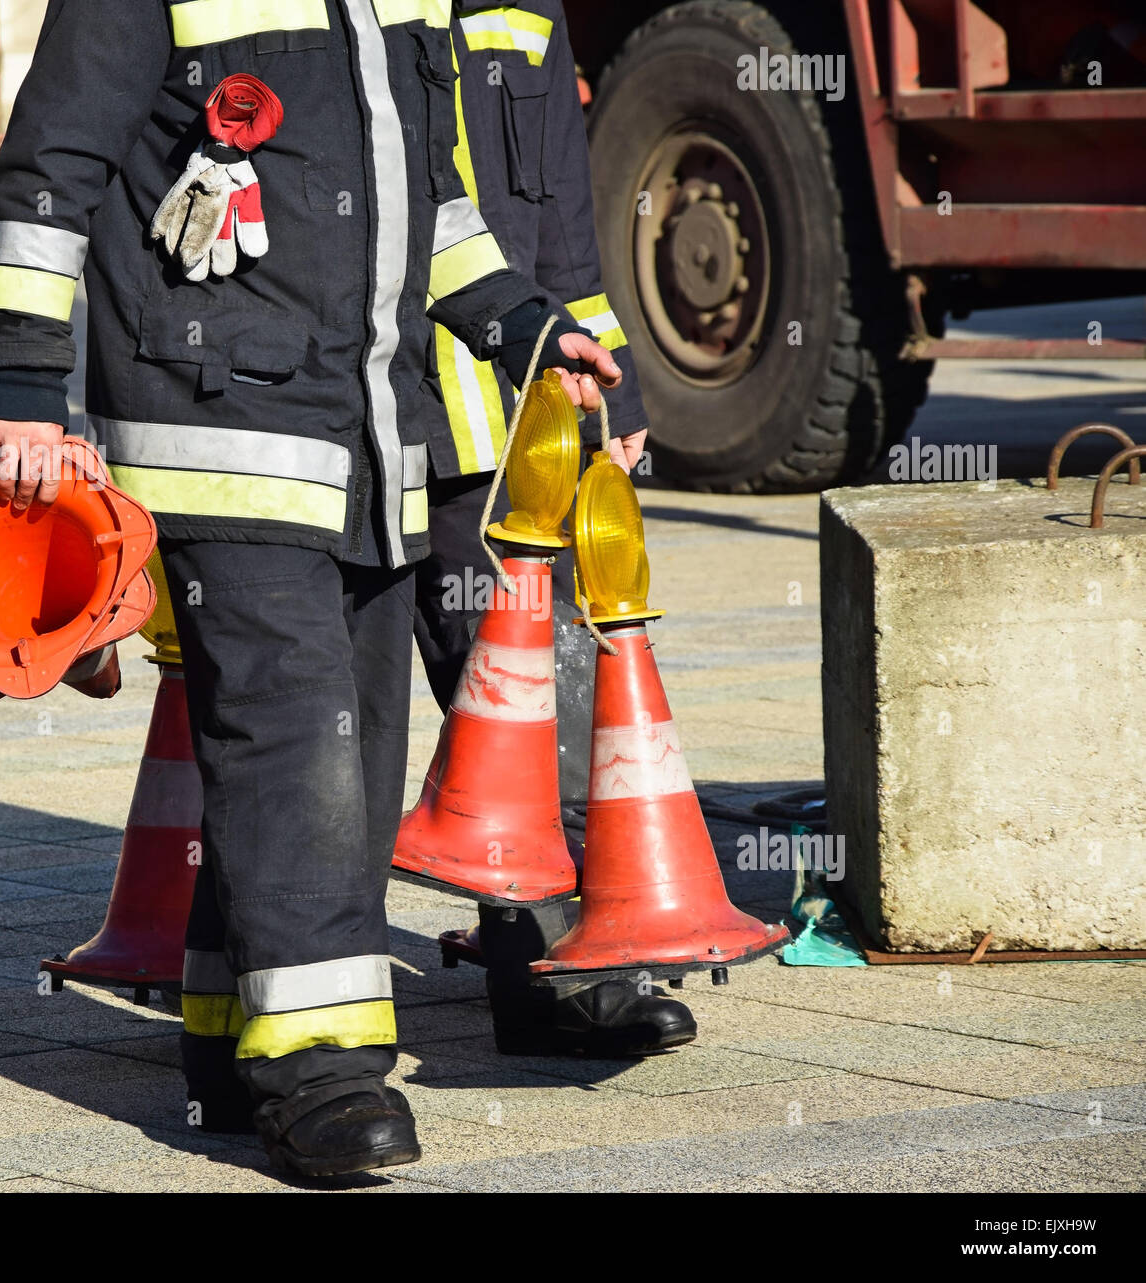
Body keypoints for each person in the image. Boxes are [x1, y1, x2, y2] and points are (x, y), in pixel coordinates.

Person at [0, 0, 621, 1181]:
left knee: (351, 754)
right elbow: (46, 179)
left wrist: (525, 327)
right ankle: (319, 1070)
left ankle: (227, 1038)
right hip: (215, 433)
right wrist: (21, 389)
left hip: (371, 446)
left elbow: (440, 205)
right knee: (293, 741)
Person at [413, 0, 696, 1056]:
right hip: (368, 419)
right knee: (317, 732)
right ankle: (274, 972)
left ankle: (565, 977)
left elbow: (563, 223)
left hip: (512, 433)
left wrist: (608, 413)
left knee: (533, 710)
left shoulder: (524, 10)